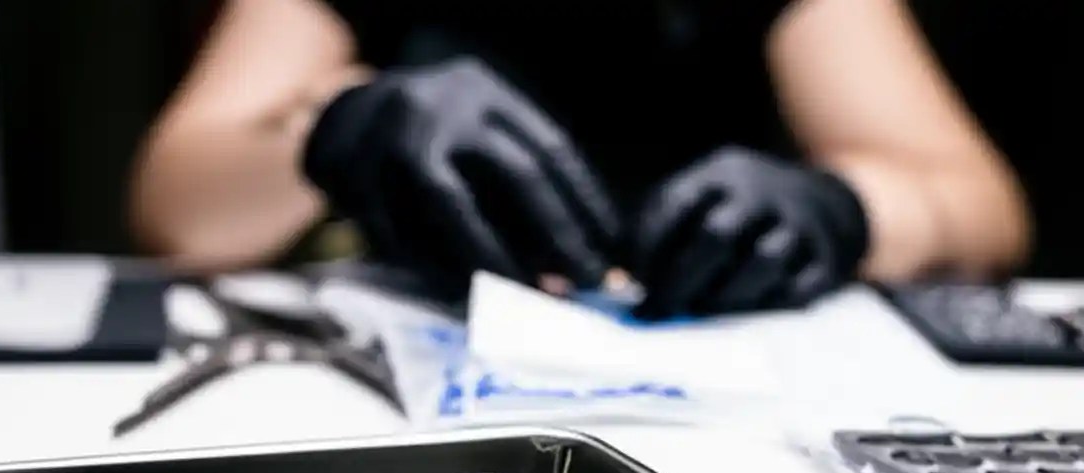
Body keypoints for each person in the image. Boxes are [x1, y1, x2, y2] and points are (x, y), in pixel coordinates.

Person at [129, 0, 1031, 318]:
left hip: (727, 395)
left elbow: (983, 211)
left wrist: (843, 208)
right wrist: (336, 123)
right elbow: (180, 206)